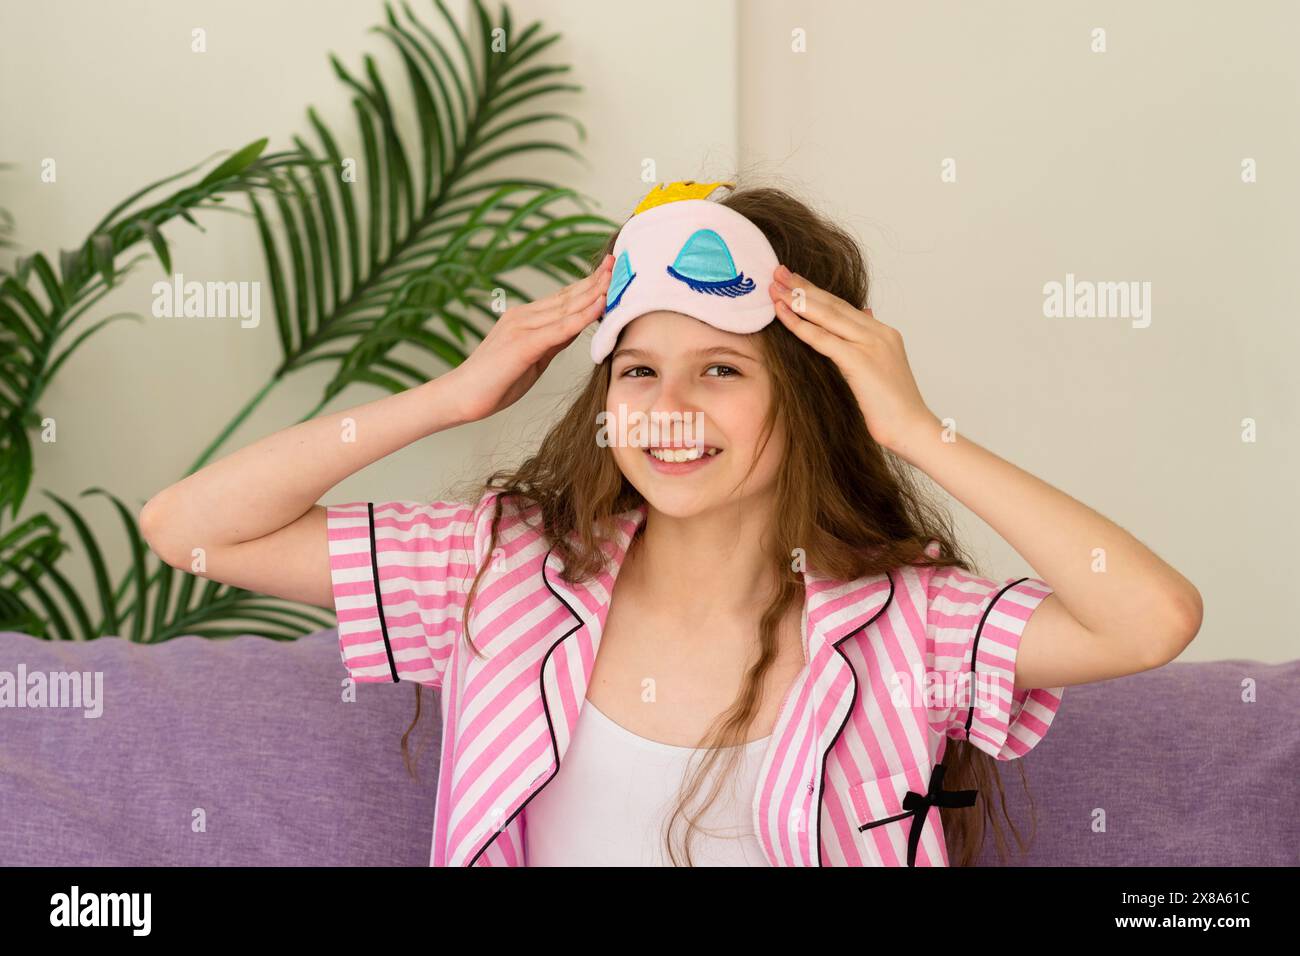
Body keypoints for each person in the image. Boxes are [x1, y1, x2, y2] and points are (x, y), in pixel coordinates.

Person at [140, 179, 1203, 867]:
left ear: (814, 395)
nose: (668, 409)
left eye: (721, 370)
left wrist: (917, 430)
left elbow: (1149, 617)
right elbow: (190, 527)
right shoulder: (499, 570)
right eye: (639, 370)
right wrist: (453, 397)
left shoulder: (909, 624)